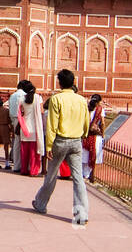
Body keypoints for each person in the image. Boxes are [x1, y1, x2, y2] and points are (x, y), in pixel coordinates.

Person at [32, 69, 91, 225]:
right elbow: (86, 122)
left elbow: (52, 124)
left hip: (60, 141)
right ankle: (81, 215)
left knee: (51, 176)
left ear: (60, 83)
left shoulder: (56, 99)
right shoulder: (81, 100)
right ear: (73, 83)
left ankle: (40, 204)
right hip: (76, 141)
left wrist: (49, 146)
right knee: (78, 179)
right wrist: (83, 135)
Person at [15, 80, 45, 176]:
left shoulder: (21, 99)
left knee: (24, 152)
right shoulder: (38, 98)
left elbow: (20, 113)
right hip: (35, 128)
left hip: (25, 127)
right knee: (34, 152)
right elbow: (41, 111)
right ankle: (33, 170)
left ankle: (24, 170)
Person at [82, 93, 105, 180]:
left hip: (86, 134)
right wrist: (103, 133)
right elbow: (102, 123)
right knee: (93, 155)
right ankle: (92, 176)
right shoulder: (100, 109)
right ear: (99, 102)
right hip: (95, 135)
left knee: (84, 155)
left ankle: (83, 174)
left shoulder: (86, 108)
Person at [7, 81, 26, 172]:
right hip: (22, 119)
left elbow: (10, 109)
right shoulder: (25, 95)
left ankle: (14, 158)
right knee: (22, 140)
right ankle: (20, 162)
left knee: (16, 139)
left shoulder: (13, 95)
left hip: (14, 118)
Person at [0, 95, 14, 169]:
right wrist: (11, 130)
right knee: (6, 146)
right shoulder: (7, 111)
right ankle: (7, 164)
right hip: (5, 127)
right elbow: (10, 121)